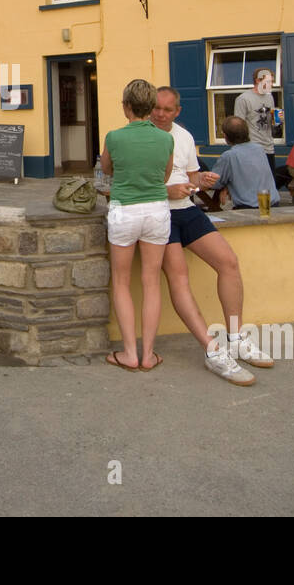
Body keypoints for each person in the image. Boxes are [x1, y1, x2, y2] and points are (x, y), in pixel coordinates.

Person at [151, 87, 274, 385]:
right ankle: (212, 350)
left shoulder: (184, 135)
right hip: (157, 212)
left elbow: (190, 176)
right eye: (156, 107)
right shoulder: (141, 135)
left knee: (228, 262)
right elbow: (128, 184)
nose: (161, 113)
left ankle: (236, 338)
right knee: (179, 278)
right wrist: (166, 190)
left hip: (186, 207)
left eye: (168, 109)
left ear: (177, 111)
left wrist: (200, 180)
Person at [100, 79, 173, 371]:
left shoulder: (114, 137)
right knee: (151, 282)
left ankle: (129, 352)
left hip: (124, 211)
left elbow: (106, 169)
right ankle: (149, 353)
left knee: (121, 282)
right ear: (150, 106)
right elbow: (165, 177)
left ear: (127, 106)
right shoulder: (166, 138)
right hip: (156, 210)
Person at [208, 116, 279, 210]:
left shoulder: (229, 156)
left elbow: (214, 183)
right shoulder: (260, 149)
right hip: (272, 204)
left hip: (249, 208)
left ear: (225, 136)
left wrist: (226, 185)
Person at [233, 67, 280, 176]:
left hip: (268, 147)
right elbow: (238, 127)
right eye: (268, 82)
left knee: (268, 183)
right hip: (251, 149)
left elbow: (273, 123)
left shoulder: (269, 97)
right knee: (254, 184)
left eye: (272, 81)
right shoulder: (243, 99)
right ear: (258, 81)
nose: (271, 84)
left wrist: (277, 120)